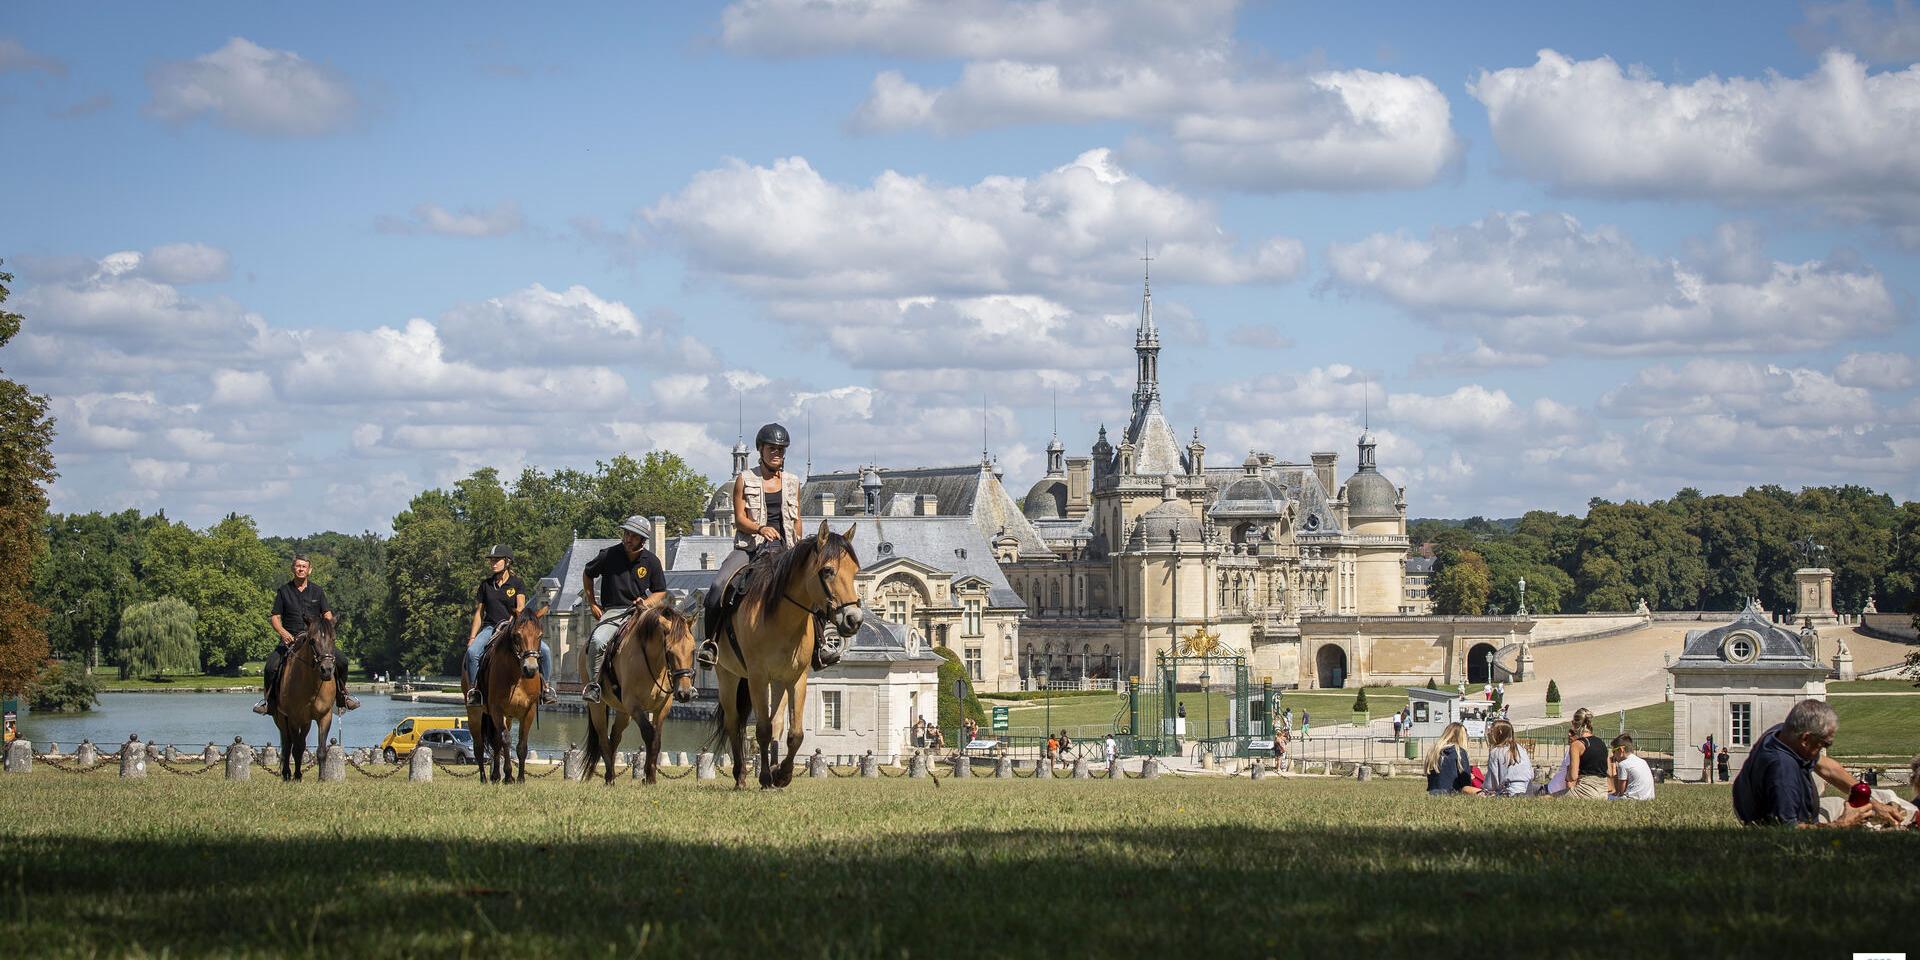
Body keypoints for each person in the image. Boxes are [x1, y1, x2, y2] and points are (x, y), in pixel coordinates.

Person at [701, 423, 824, 670]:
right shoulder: (744, 480)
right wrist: (760, 528)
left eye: (781, 449)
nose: (777, 453)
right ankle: (711, 644)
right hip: (750, 548)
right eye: (772, 448)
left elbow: (796, 517)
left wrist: (798, 545)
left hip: (786, 549)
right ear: (760, 449)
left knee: (818, 585)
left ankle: (821, 646)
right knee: (717, 587)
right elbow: (739, 519)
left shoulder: (792, 482)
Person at [1732, 699, 1889, 828]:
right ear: (1806, 739)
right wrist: (1842, 824)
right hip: (1798, 822)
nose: (1822, 749)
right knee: (1865, 814)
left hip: (1802, 811)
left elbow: (1828, 769)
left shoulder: (1784, 735)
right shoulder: (1783, 772)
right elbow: (1786, 831)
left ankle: (1889, 811)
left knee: (1882, 797)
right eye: (1824, 744)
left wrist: (1875, 803)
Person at [579, 516, 668, 702]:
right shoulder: (608, 555)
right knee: (597, 641)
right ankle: (594, 685)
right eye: (627, 533)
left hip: (641, 612)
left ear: (642, 540)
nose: (628, 538)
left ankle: (678, 681)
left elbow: (660, 591)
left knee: (671, 636)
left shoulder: (652, 561)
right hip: (614, 611)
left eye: (634, 536)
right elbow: (587, 575)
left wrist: (647, 604)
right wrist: (592, 603)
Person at [254, 556, 358, 714]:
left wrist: (327, 629)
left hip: (315, 640)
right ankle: (269, 703)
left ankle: (342, 697)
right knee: (271, 666)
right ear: (293, 569)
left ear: (310, 570)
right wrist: (283, 633)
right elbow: (275, 617)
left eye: (304, 566)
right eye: (298, 566)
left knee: (342, 661)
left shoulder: (318, 590)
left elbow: (327, 613)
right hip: (291, 639)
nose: (301, 569)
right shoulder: (283, 591)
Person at [462, 545, 555, 706]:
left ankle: (546, 689)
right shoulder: (485, 585)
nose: (493, 563)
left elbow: (520, 608)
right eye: (491, 560)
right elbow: (479, 613)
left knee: (545, 651)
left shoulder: (517, 583)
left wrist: (515, 626)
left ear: (507, 562)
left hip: (513, 627)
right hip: (491, 628)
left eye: (497, 560)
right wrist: (472, 637)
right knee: (472, 652)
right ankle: (474, 691)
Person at [1424, 722, 1481, 796]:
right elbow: (1466, 785)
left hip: (1433, 793)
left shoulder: (1433, 752)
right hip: (1452, 793)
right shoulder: (1459, 752)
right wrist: (1470, 777)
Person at [1564, 708, 1609, 799]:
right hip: (1603, 792)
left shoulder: (1577, 744)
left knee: (1547, 798)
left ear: (1575, 724)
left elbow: (1573, 776)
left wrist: (1567, 776)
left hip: (1585, 791)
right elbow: (1609, 772)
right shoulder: (1601, 743)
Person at [1482, 719, 1533, 796]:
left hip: (1508, 791)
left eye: (1491, 731)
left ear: (1499, 733)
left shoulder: (1496, 752)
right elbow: (1531, 773)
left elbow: (1491, 782)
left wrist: (1484, 789)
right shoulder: (1521, 748)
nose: (1488, 734)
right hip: (1527, 790)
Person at [1607, 734, 1655, 801]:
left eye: (1614, 751)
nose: (1613, 754)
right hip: (1649, 798)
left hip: (1632, 799)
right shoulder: (1643, 761)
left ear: (1621, 750)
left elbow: (1620, 792)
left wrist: (1613, 766)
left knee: (1604, 797)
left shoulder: (1623, 764)